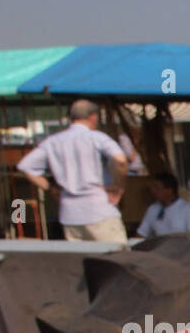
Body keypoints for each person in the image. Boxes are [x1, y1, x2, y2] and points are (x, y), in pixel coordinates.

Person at [17, 99, 128, 241]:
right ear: (93, 117)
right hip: (99, 209)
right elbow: (121, 160)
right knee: (117, 259)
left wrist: (50, 187)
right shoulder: (97, 138)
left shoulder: (53, 141)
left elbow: (25, 166)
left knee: (81, 261)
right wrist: (118, 187)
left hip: (70, 214)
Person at [136, 172, 190, 238]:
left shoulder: (187, 209)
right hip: (159, 247)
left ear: (169, 190)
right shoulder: (153, 209)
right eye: (153, 188)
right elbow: (141, 233)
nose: (153, 191)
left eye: (157, 188)